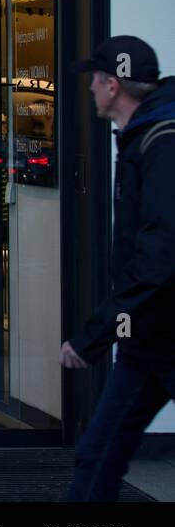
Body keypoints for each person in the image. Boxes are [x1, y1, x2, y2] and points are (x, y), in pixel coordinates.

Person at [61, 35, 175, 502]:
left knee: (101, 451)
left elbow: (159, 258)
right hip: (151, 337)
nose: (88, 89)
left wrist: (93, 335)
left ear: (112, 86)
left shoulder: (162, 144)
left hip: (161, 328)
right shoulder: (144, 137)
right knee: (99, 452)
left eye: (94, 80)